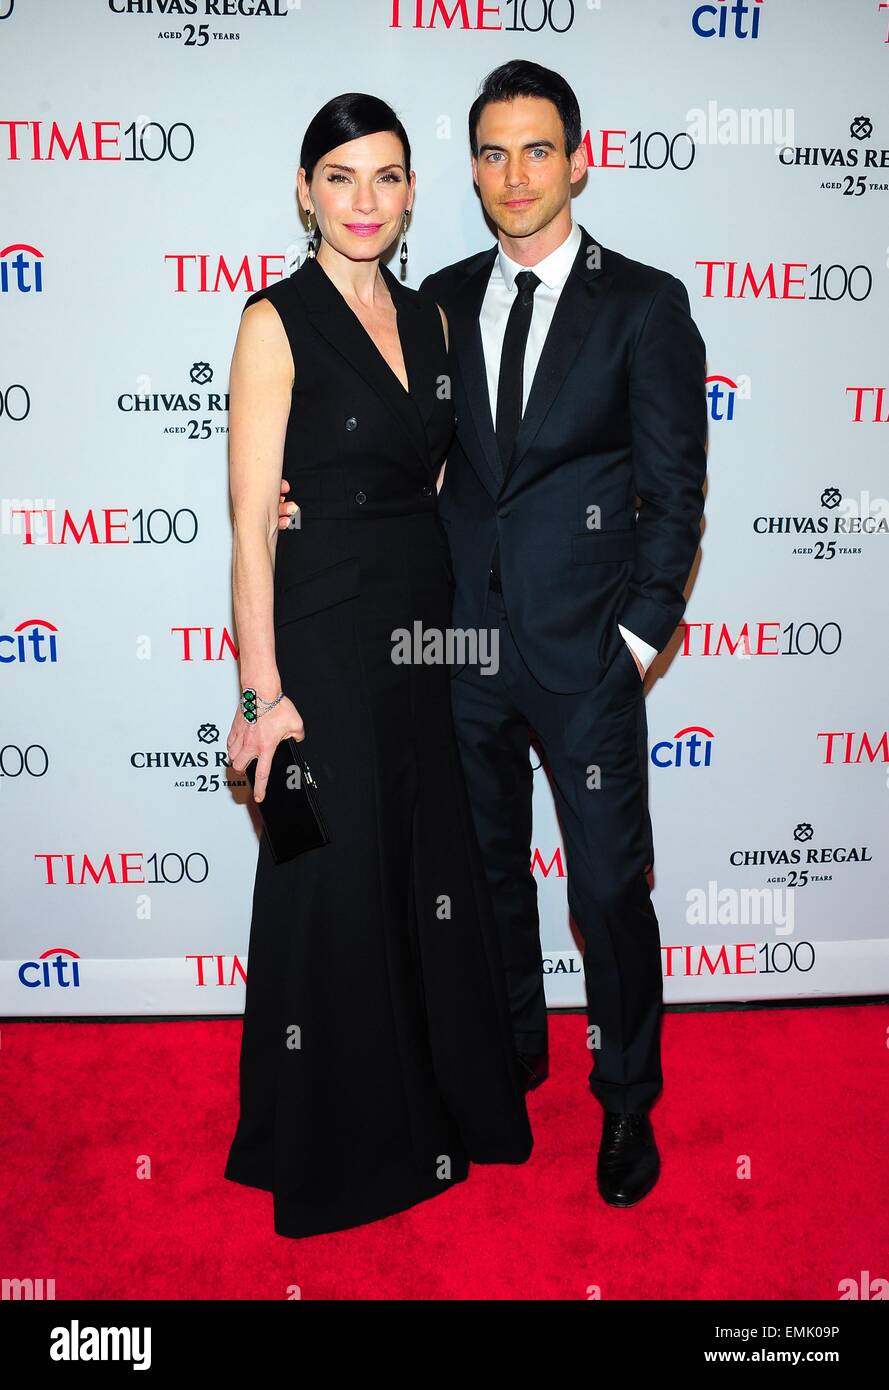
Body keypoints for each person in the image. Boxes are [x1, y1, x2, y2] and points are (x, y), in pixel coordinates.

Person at [278, 62, 707, 1208]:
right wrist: (296, 498)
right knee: (479, 876)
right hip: (456, 651)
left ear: (578, 158)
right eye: (491, 152)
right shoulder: (438, 302)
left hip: (585, 656)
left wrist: (636, 637)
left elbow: (675, 489)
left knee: (609, 886)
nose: (513, 175)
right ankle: (511, 1052)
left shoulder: (645, 306)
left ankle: (625, 1098)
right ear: (466, 172)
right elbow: (388, 448)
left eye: (535, 150)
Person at [225, 92, 532, 1240]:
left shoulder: (434, 320)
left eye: (389, 177)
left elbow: (442, 482)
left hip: (421, 633)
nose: (366, 200)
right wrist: (263, 695)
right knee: (330, 876)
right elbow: (253, 519)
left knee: (424, 868)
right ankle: (335, 1141)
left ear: (412, 193)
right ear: (305, 191)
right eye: (342, 176)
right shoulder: (274, 319)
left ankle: (443, 1107)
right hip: (319, 634)